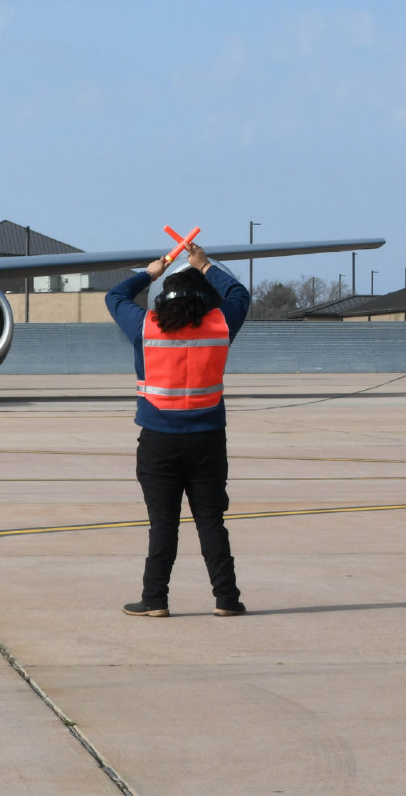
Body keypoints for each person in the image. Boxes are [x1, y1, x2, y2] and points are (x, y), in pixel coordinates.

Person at [105, 242, 251, 618]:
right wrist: (205, 266)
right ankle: (227, 599)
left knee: (163, 524)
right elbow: (239, 292)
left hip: (158, 442)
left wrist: (151, 272)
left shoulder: (145, 328)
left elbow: (115, 294)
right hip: (207, 440)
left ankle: (155, 600)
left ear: (162, 298)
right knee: (211, 522)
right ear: (206, 300)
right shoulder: (220, 326)